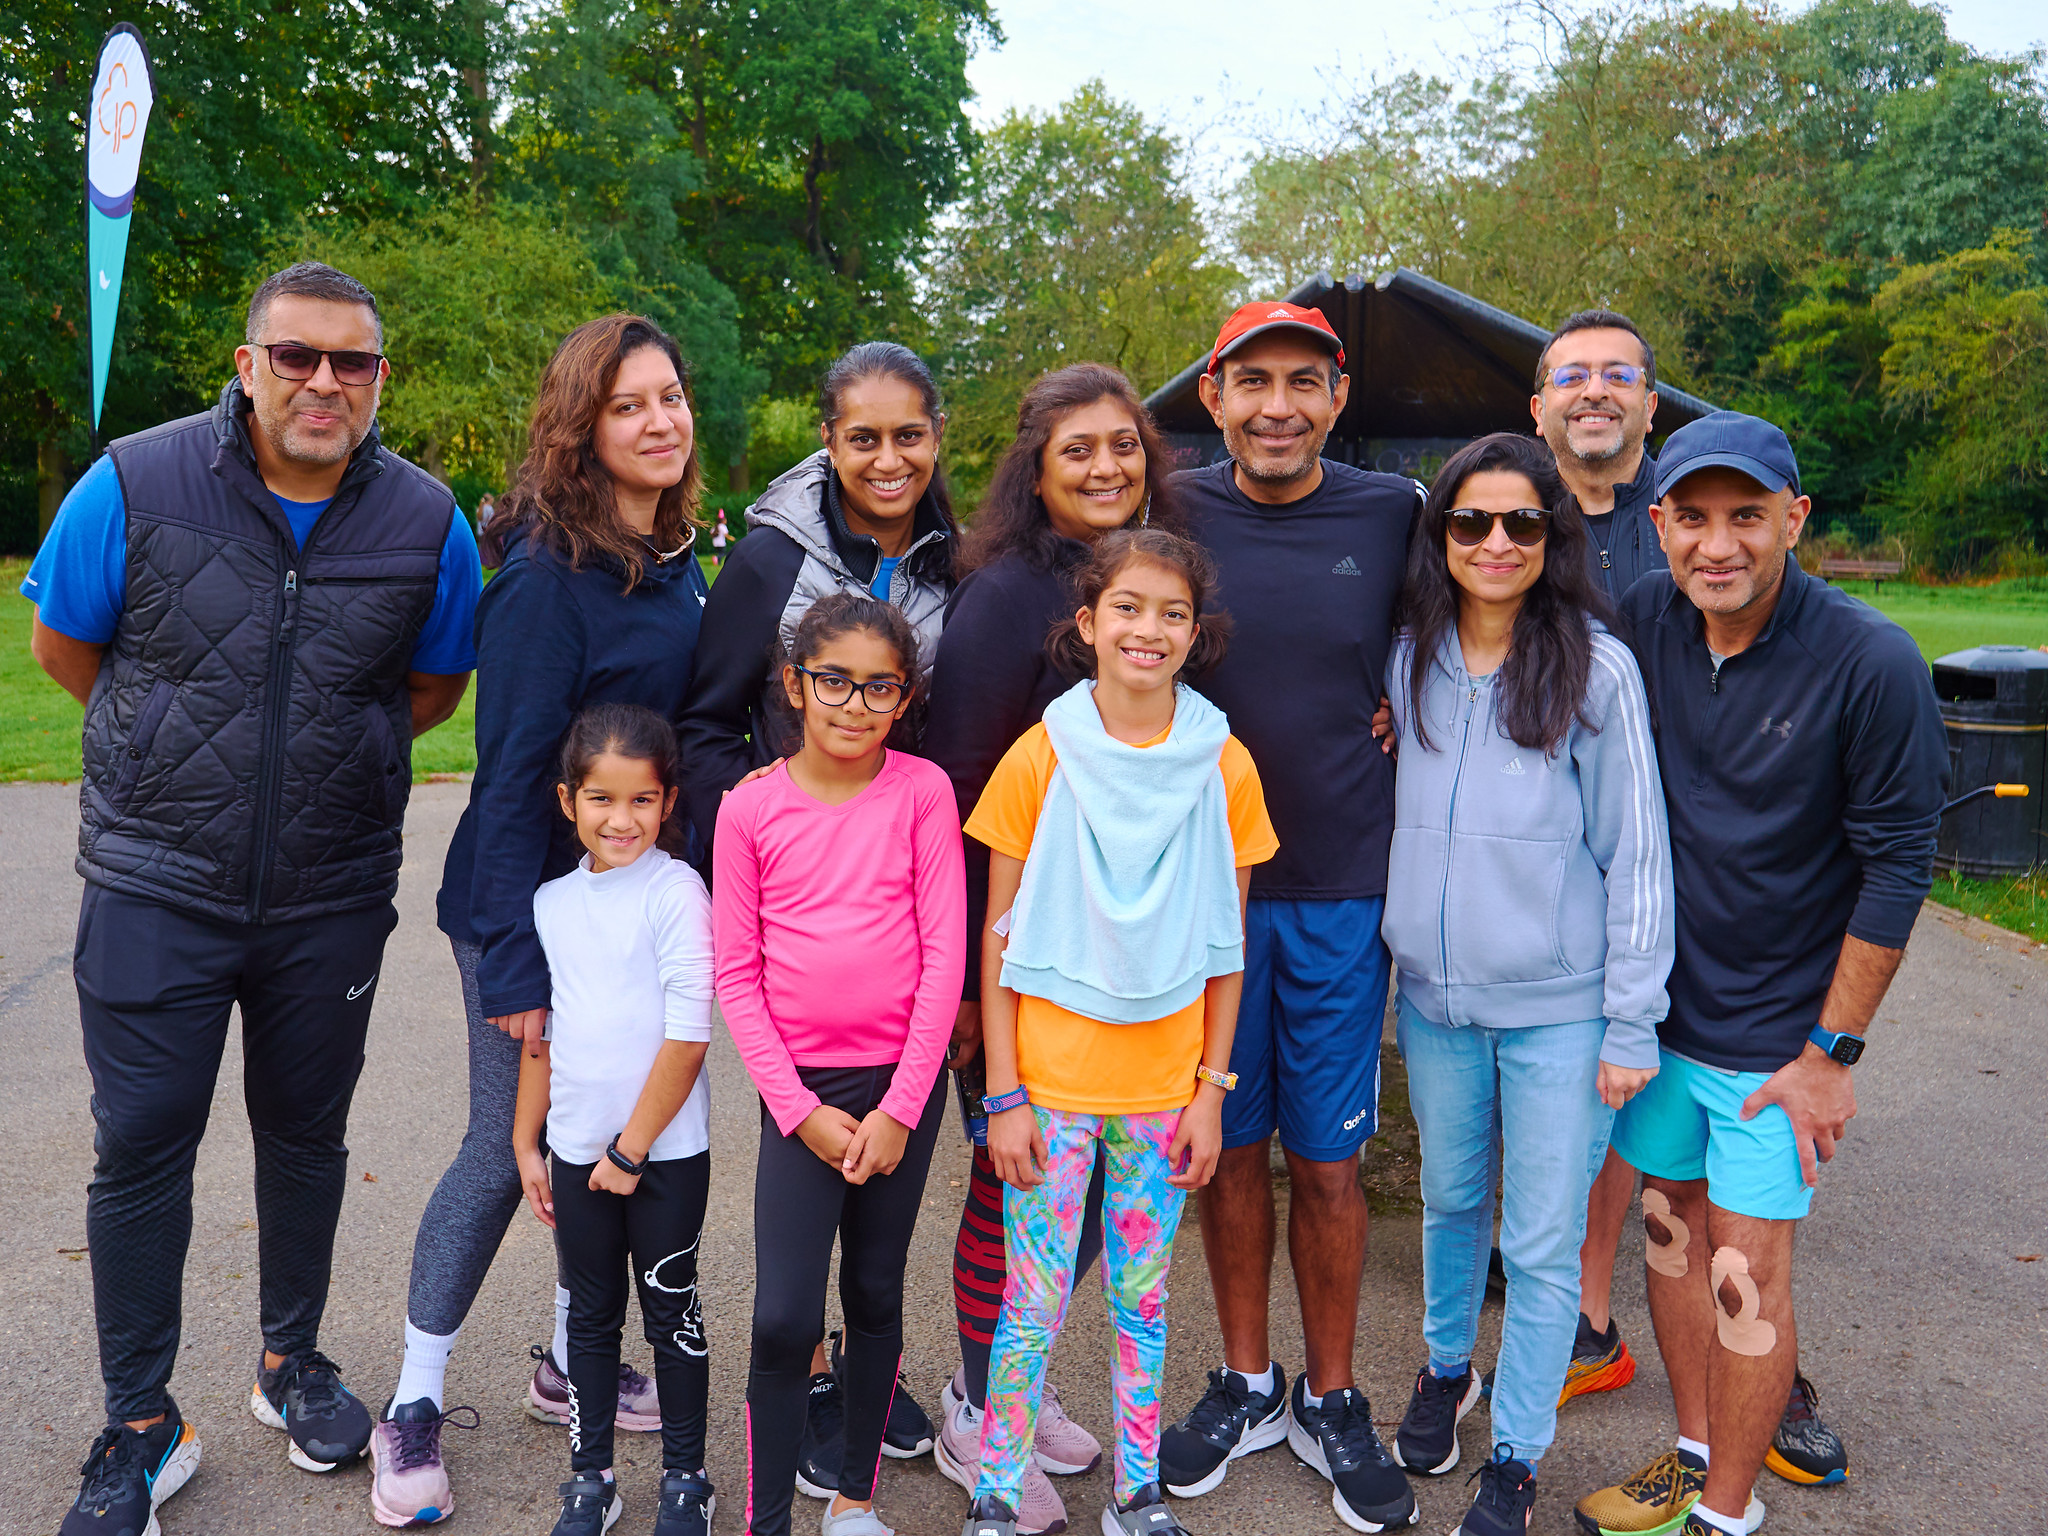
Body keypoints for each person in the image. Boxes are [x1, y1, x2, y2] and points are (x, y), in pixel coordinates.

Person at [24, 261, 481, 1534]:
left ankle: (291, 1362)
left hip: (328, 894)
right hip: (155, 884)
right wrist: (172, 753)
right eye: (297, 356)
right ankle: (140, 1423)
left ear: (380, 379)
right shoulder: (136, 480)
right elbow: (67, 644)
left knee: (303, 1135)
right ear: (247, 364)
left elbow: (432, 687)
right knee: (143, 1146)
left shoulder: (426, 518)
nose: (324, 382)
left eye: (353, 362)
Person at [1572, 412, 1946, 1536]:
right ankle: (1692, 1457)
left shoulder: (1866, 660)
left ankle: (1725, 1517)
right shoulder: (1640, 621)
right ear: (1659, 526)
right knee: (1669, 1238)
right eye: (1691, 518)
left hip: (1773, 1053)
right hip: (1661, 1030)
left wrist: (1830, 1057)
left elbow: (1895, 870)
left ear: (1794, 518)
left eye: (1745, 516)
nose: (1716, 544)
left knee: (1743, 1279)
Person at [378, 314, 713, 1525]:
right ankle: (411, 1403)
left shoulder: (674, 568)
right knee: (501, 1150)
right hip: (528, 919)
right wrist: (518, 970)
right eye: (629, 406)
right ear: (583, 428)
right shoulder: (541, 582)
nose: (660, 421)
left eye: (670, 397)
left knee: (619, 1139)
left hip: (632, 911)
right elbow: (514, 774)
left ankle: (571, 1361)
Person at [1531, 312, 1851, 1484]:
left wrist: (1835, 1042)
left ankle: (1757, 1410)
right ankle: (1604, 1337)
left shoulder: (1812, 631)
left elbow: (1887, 855)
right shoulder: (1521, 517)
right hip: (1625, 933)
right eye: (1572, 376)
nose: (1595, 392)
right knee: (1647, 1163)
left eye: (1618, 374)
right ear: (1540, 407)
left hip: (1756, 971)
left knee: (1738, 1237)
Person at [1157, 301, 1421, 1532]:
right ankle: (1244, 1380)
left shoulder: (1392, 514)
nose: (1275, 405)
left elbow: (1453, 646)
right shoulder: (1167, 510)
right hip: (1198, 897)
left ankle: (1329, 1394)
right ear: (1211, 394)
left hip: (1338, 889)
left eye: (1300, 383)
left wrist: (1397, 717)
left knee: (1326, 1159)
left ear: (1336, 395)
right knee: (1226, 1150)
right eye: (1249, 381)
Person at [1378, 434, 1671, 1536]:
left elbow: (1635, 852)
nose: (1494, 543)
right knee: (1449, 1200)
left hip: (1561, 1006)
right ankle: (1445, 1368)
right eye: (1469, 521)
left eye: (1519, 523)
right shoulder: (1406, 655)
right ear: (1440, 534)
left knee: (1541, 1240)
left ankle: (1516, 1448)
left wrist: (1630, 1022)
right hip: (1436, 1002)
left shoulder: (1595, 668)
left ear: (1551, 539)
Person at [958, 529, 1275, 1536]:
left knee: (1142, 1303)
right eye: (1128, 608)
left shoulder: (1221, 765)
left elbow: (1227, 945)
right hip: (1047, 1088)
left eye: (1171, 613)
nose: (1148, 628)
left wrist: (1211, 1091)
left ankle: (1136, 1492)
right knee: (1031, 1307)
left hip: (1163, 1091)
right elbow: (998, 936)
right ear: (1088, 625)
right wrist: (1001, 1095)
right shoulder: (1039, 755)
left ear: (1193, 634)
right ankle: (998, 1491)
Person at [682, 341, 957, 1482]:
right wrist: (758, 835)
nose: (885, 458)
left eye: (907, 435)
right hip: (788, 870)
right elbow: (702, 717)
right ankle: (793, 1405)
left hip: (902, 869)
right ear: (828, 441)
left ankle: (858, 1394)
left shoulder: (954, 562)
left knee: (878, 1263)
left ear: (936, 436)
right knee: (794, 1255)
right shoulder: (766, 559)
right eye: (862, 437)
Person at [925, 363, 1190, 1531]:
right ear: (1034, 466)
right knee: (1014, 1192)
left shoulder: (1147, 578)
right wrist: (979, 1006)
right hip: (1021, 968)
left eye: (1123, 445)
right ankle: (977, 1410)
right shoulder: (1001, 597)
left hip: (1127, 970)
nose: (1104, 467)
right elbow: (964, 793)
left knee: (1079, 1211)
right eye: (1077, 448)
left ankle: (1004, 1394)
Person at [713, 592, 965, 1536]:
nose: (854, 706)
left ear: (903, 698)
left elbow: (944, 955)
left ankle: (855, 1499)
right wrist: (796, 1108)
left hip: (900, 1091)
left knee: (872, 1290)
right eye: (835, 682)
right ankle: (767, 1518)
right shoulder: (748, 809)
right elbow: (736, 975)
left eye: (879, 688)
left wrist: (903, 1107)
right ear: (794, 685)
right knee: (783, 1315)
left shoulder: (923, 793)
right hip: (802, 1099)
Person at [510, 704, 716, 1536]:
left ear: (667, 803)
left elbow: (690, 1035)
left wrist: (631, 1150)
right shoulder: (553, 902)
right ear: (569, 801)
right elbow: (546, 1033)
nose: (620, 819)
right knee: (589, 1317)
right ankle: (591, 1477)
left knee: (672, 1313)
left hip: (661, 1154)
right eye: (601, 799)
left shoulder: (676, 890)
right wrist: (528, 1140)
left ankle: (685, 1478)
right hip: (574, 1149)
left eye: (640, 801)